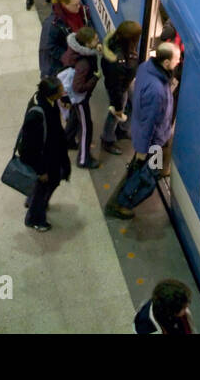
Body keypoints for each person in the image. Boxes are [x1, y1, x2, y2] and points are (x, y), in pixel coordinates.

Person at [106, 42, 180, 220]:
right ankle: (122, 204)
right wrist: (141, 150)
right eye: (176, 59)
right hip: (153, 144)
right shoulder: (157, 90)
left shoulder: (147, 67)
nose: (179, 62)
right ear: (166, 63)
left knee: (139, 170)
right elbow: (149, 123)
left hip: (152, 137)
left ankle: (121, 198)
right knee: (146, 176)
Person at [19, 76, 71, 232]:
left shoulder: (44, 98)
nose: (63, 92)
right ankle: (34, 219)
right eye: (61, 91)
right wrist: (41, 171)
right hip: (44, 161)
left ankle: (33, 200)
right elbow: (29, 148)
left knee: (48, 185)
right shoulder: (37, 115)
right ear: (52, 94)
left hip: (52, 154)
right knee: (45, 187)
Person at [58, 26, 102, 169]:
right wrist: (95, 79)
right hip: (80, 99)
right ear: (87, 44)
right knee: (86, 127)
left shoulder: (76, 51)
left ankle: (67, 142)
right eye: (95, 40)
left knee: (74, 119)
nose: (98, 40)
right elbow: (78, 87)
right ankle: (83, 159)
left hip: (74, 98)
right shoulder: (83, 63)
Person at [100, 21, 142, 154]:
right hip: (120, 87)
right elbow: (116, 87)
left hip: (125, 82)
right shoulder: (118, 61)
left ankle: (122, 129)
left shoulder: (115, 45)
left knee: (135, 102)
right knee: (115, 114)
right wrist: (117, 106)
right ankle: (107, 139)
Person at [38, 0, 87, 77]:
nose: (79, 7)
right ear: (64, 4)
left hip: (75, 61)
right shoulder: (52, 24)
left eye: (79, 3)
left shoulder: (80, 13)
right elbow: (49, 47)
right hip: (59, 68)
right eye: (75, 5)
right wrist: (69, 56)